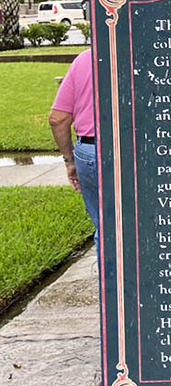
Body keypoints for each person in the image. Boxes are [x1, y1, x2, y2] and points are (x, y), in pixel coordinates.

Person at [49, 48, 99, 251]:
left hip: (91, 151)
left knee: (105, 227)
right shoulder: (148, 53)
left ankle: (111, 281)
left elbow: (58, 118)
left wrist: (70, 161)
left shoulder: (85, 59)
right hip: (136, 149)